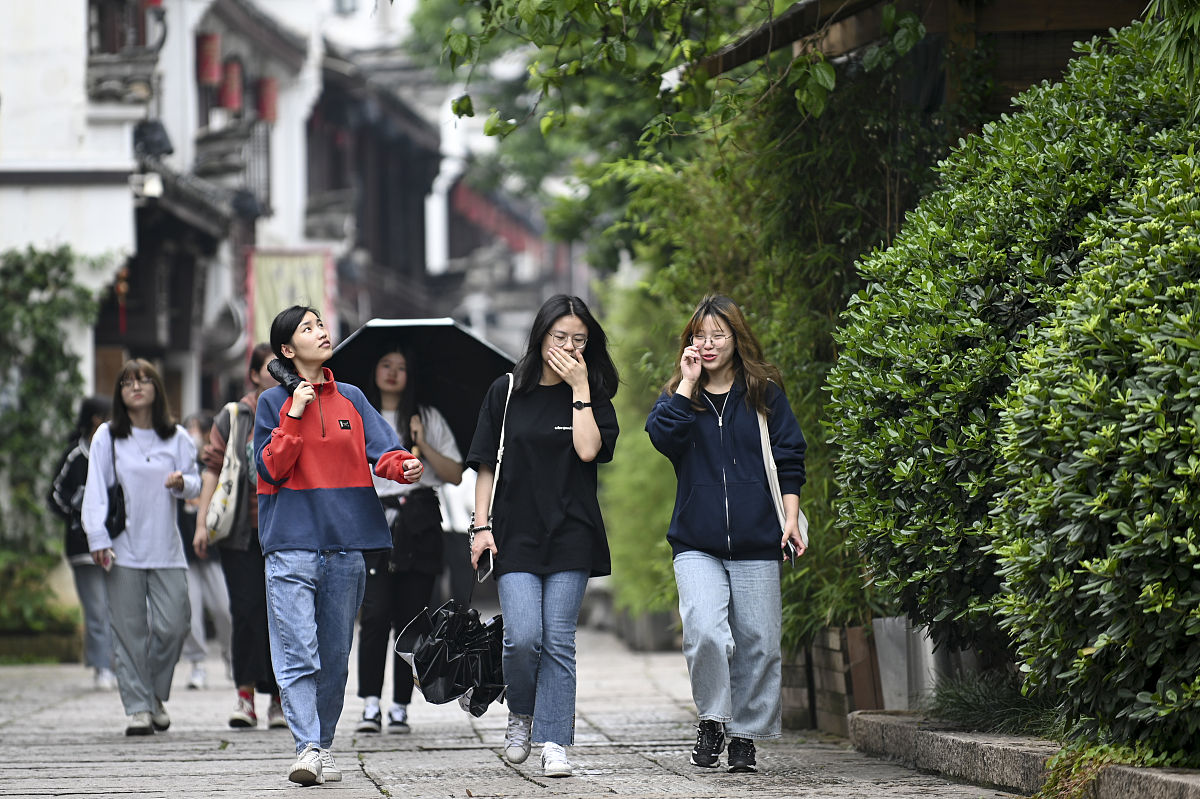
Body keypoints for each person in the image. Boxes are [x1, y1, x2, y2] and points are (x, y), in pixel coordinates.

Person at [254, 306, 423, 786]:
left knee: (333, 654)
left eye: (321, 325)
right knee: (298, 651)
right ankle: (307, 745)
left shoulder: (352, 397)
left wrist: (402, 465)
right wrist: (295, 410)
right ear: (287, 350)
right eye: (307, 329)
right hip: (290, 545)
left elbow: (384, 450)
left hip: (347, 546)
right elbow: (270, 468)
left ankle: (321, 744)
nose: (321, 332)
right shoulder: (271, 403)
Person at [645, 295, 808, 774]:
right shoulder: (680, 396)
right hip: (696, 541)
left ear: (737, 339)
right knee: (704, 630)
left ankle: (745, 736)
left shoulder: (764, 392)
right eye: (700, 335)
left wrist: (791, 519)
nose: (709, 343)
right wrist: (688, 384)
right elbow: (662, 439)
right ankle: (713, 719)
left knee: (759, 640)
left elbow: (790, 458)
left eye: (719, 335)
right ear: (689, 342)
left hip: (759, 537)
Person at [467, 294, 620, 779]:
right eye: (561, 338)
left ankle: (554, 740)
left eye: (580, 340)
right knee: (522, 639)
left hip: (573, 531)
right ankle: (520, 714)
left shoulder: (593, 391)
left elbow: (588, 450)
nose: (571, 347)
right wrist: (480, 526)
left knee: (558, 641)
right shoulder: (507, 390)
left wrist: (579, 388)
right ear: (540, 337)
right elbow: (485, 465)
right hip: (516, 532)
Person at [81, 359, 201, 736]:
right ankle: (138, 707)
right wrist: (97, 538)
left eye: (144, 380)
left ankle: (152, 695)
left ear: (156, 389)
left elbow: (196, 483)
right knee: (128, 631)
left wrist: (183, 481)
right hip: (122, 549)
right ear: (119, 392)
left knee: (174, 625)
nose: (136, 386)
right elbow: (96, 491)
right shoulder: (108, 437)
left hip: (167, 547)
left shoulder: (177, 437)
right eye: (128, 382)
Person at [354, 346, 464, 735]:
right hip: (373, 520)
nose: (393, 373)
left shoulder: (426, 416)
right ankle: (369, 703)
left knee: (411, 619)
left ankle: (400, 705)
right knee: (374, 614)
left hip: (419, 523)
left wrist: (423, 441)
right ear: (374, 369)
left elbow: (453, 473)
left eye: (401, 367)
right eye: (385, 364)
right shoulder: (357, 414)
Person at [193, 343, 288, 730]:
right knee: (246, 613)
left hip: (285, 531)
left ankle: (281, 699)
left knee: (285, 617)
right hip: (241, 534)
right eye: (271, 367)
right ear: (253, 374)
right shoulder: (234, 417)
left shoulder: (294, 409)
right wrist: (202, 522)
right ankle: (245, 696)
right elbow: (212, 470)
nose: (278, 372)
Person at [49, 395, 116, 691]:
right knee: (97, 610)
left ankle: (115, 665)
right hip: (82, 549)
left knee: (117, 608)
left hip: (115, 544)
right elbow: (55, 496)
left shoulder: (116, 452)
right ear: (95, 420)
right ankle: (102, 668)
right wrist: (77, 515)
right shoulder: (74, 456)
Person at [178, 411, 232, 691]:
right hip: (184, 552)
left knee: (224, 608)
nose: (192, 435)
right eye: (188, 429)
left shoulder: (218, 467)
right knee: (190, 610)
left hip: (215, 551)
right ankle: (197, 663)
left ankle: (232, 657)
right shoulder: (177, 464)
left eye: (197, 429)